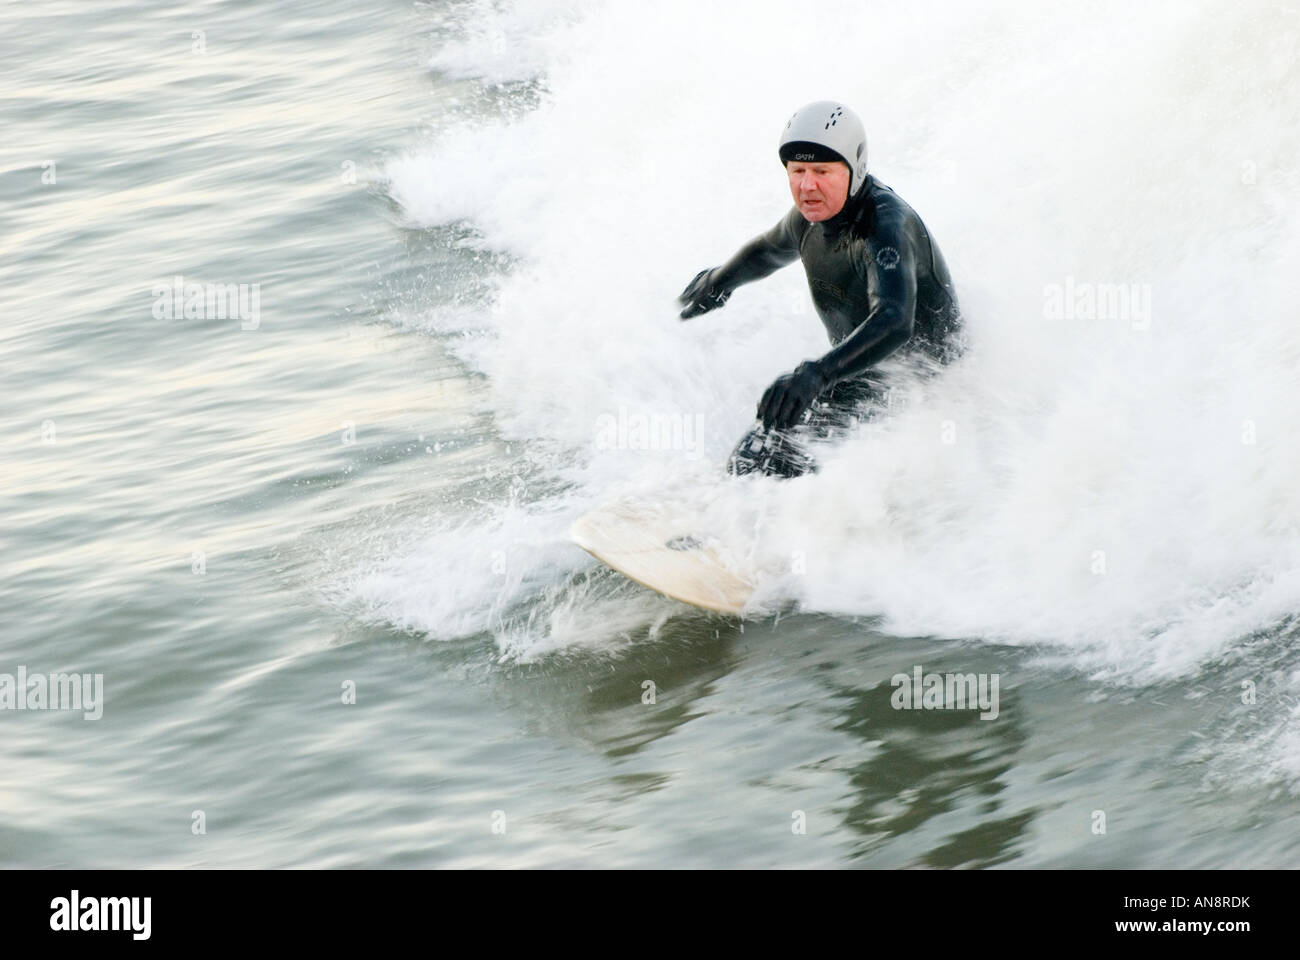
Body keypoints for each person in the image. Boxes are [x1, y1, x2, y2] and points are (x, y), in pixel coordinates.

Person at [678, 101, 963, 478]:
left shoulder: (884, 228)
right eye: (797, 171)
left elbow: (895, 319)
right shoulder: (811, 218)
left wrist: (816, 375)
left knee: (764, 452)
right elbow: (767, 250)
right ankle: (769, 515)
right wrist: (718, 283)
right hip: (862, 373)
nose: (806, 185)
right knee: (769, 447)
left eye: (822, 171)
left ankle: (756, 523)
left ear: (855, 169)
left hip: (919, 385)